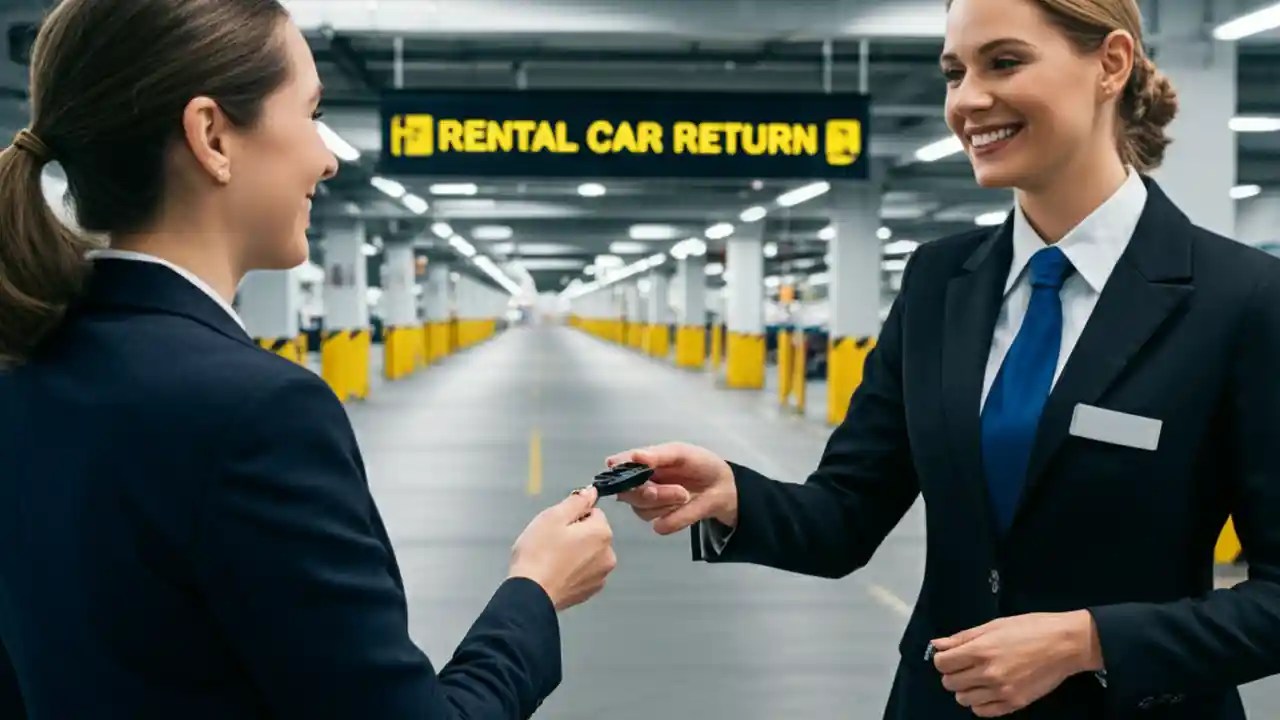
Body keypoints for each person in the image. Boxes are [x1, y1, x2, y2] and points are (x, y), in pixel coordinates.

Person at [610, 0, 1280, 718]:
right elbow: (846, 512)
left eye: (1004, 62)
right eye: (954, 72)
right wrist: (734, 494)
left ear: (1111, 63)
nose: (966, 101)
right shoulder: (938, 283)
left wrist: (1088, 641)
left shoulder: (1239, 300)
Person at [0, 1, 616, 718]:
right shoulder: (257, 415)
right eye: (311, 112)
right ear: (211, 136)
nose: (327, 156)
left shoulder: (25, 371)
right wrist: (534, 593)